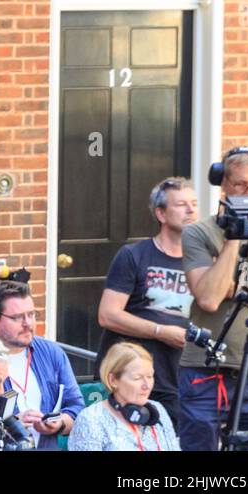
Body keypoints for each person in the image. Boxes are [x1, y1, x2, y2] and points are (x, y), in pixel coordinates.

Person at [178, 147, 248, 451]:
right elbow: (209, 298)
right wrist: (236, 237)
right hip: (206, 369)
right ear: (223, 184)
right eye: (240, 185)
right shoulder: (198, 233)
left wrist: (231, 283)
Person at [96, 177, 195, 423]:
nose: (191, 209)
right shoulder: (133, 255)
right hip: (129, 379)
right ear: (161, 214)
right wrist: (160, 331)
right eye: (181, 204)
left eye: (194, 203)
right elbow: (108, 315)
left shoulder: (202, 262)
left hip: (179, 379)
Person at [0, 280, 83, 449]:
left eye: (31, 315)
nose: (28, 324)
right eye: (17, 317)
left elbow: (76, 407)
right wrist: (9, 426)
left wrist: (59, 423)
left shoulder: (51, 353)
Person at [69, 342, 181, 452]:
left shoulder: (158, 409)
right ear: (113, 380)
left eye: (150, 376)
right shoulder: (91, 419)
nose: (147, 385)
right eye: (137, 378)